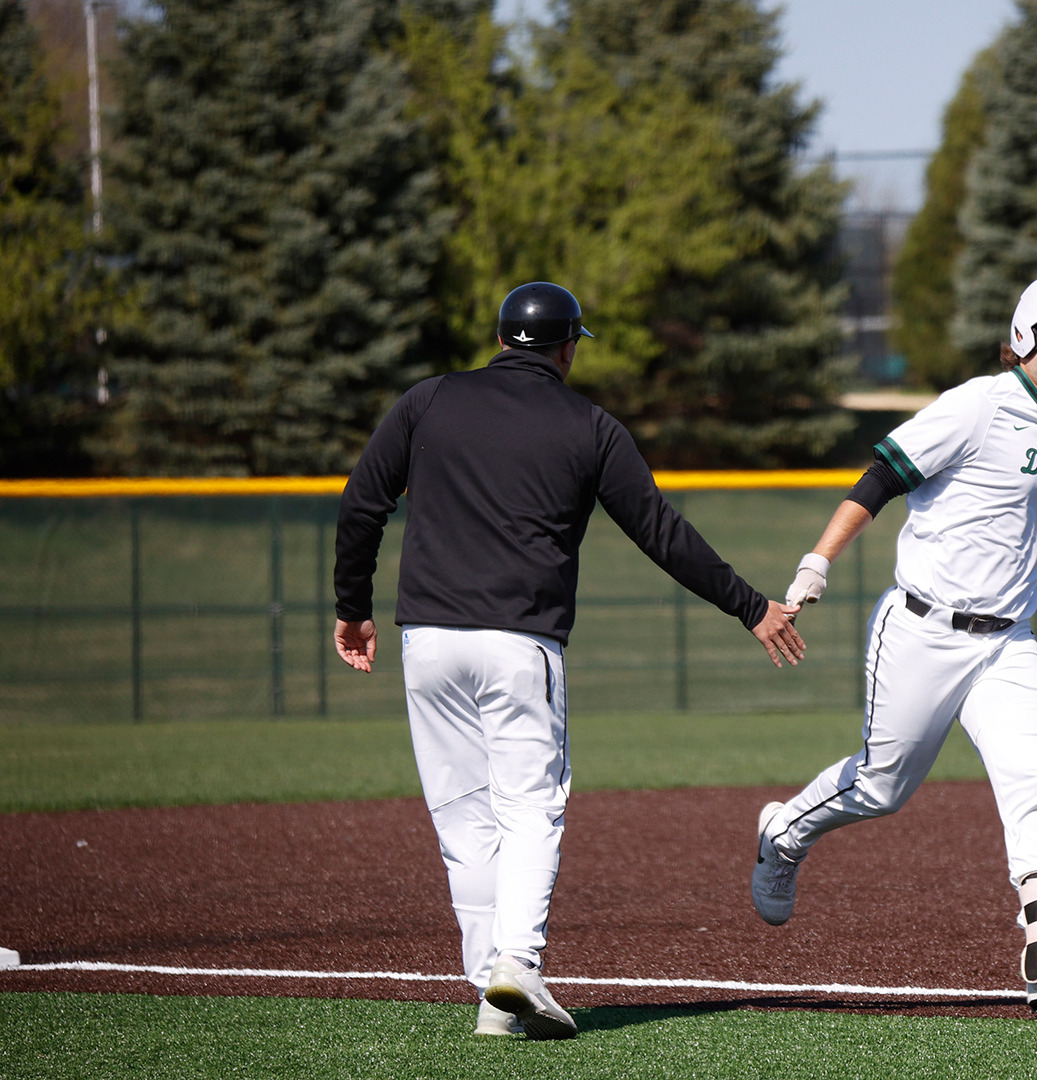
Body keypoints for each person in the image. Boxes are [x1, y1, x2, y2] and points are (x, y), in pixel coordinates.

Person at [334, 282, 806, 1039]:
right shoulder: (590, 425)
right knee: (530, 810)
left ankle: (492, 994)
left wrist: (350, 607)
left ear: (500, 338)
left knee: (464, 821)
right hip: (519, 643)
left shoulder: (429, 401)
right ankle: (516, 963)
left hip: (427, 641)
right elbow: (659, 530)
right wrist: (749, 605)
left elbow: (362, 504)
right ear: (565, 347)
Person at [748, 275, 1037, 1013]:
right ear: (1026, 335)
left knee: (1034, 780)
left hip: (1009, 641)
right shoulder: (977, 404)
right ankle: (784, 831)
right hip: (923, 630)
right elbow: (881, 476)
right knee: (880, 788)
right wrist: (817, 562)